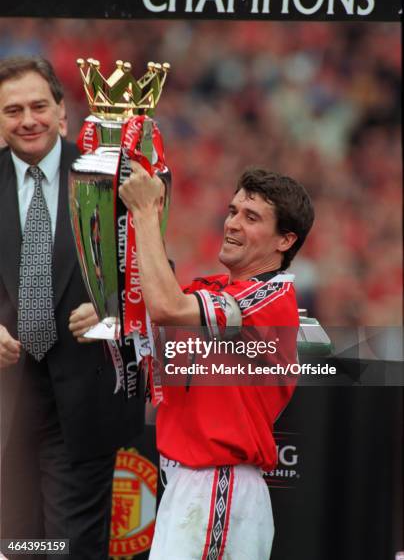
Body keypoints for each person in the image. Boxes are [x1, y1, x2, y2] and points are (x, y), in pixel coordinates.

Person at [119, 163, 315, 559]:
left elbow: (165, 307)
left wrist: (144, 215)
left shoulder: (270, 299)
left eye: (252, 217)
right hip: (190, 484)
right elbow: (151, 314)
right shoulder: (215, 288)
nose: (232, 224)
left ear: (285, 240)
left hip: (217, 484)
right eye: (232, 211)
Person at [0, 56, 144, 560]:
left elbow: (148, 270)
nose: (27, 119)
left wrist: (112, 313)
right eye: (13, 110)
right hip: (6, 402)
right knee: (16, 546)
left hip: (80, 401)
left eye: (39, 105)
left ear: (62, 111)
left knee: (68, 548)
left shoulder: (107, 177)